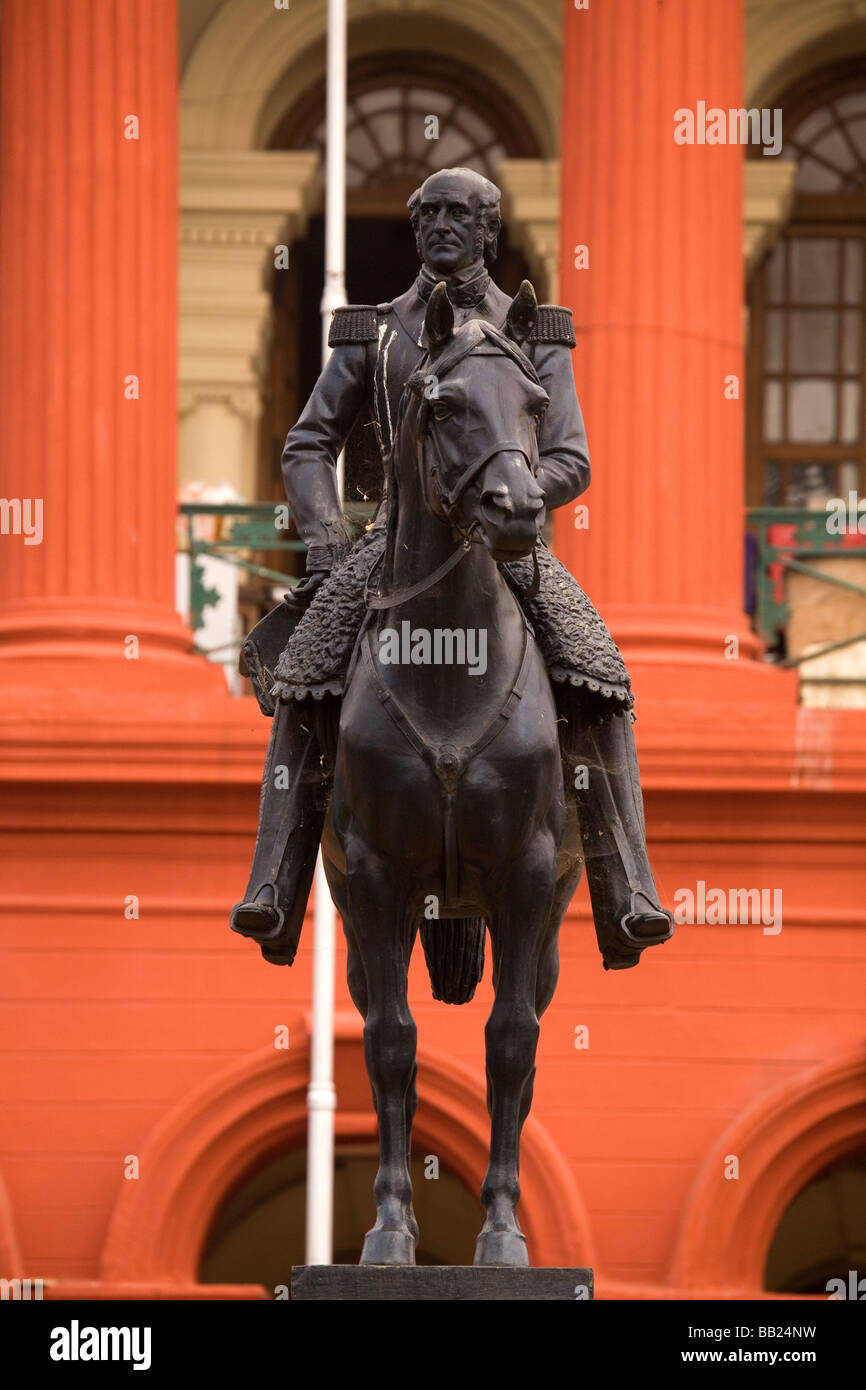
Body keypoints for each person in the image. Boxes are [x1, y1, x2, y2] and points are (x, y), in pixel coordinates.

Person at [231, 166, 673, 972]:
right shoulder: (373, 330)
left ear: (489, 230)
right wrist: (327, 537)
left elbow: (570, 456)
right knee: (302, 677)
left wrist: (515, 495)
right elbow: (309, 443)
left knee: (599, 675)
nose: (441, 224)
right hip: (392, 544)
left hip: (510, 543)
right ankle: (274, 882)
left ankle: (630, 886)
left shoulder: (534, 331)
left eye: (459, 213)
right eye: (427, 212)